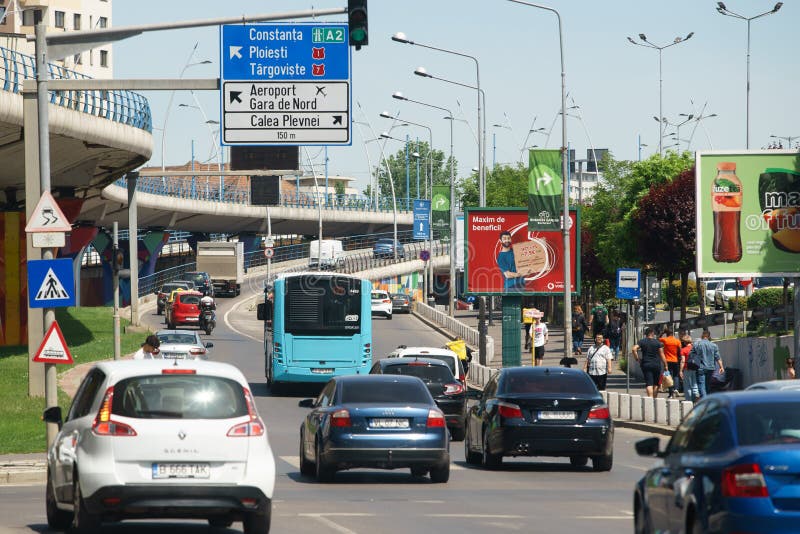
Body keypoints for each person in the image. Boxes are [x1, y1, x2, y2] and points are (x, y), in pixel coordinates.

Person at [632, 327, 667, 399]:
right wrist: (665, 365)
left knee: (649, 383)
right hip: (656, 364)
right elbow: (662, 354)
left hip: (646, 364)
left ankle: (650, 399)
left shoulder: (642, 341)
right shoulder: (657, 342)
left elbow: (634, 349)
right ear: (652, 333)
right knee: (656, 383)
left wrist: (637, 359)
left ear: (646, 334)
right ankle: (654, 399)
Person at [688, 329, 724, 398]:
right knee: (707, 385)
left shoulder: (697, 344)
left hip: (700, 367)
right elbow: (718, 357)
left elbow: (691, 355)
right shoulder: (714, 345)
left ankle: (704, 400)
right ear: (709, 336)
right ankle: (707, 399)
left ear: (702, 336)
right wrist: (721, 367)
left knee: (701, 384)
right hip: (711, 368)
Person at [659, 327, 682, 398]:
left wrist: (662, 332)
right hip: (675, 360)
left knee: (669, 377)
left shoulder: (665, 340)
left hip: (667, 361)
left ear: (666, 334)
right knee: (676, 376)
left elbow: (658, 339)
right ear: (673, 333)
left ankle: (671, 393)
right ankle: (676, 389)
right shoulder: (677, 341)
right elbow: (679, 350)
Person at [679, 334, 699, 402]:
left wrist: (681, 371)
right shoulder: (695, 348)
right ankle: (696, 395)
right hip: (696, 368)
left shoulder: (683, 350)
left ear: (684, 342)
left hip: (687, 368)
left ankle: (688, 401)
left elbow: (683, 361)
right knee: (694, 384)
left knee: (687, 386)